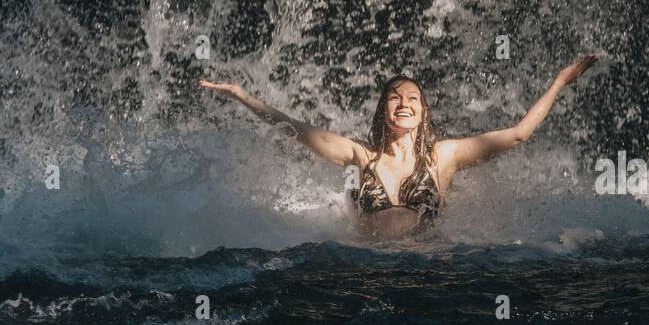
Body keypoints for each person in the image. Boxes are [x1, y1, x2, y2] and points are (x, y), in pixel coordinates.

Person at [200, 56, 598, 239]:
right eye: (394, 97)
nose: (404, 102)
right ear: (383, 110)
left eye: (412, 98)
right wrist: (242, 96)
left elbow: (517, 134)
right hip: (368, 267)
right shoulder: (359, 157)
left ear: (423, 112)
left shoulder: (443, 157)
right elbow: (293, 128)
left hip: (426, 268)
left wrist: (560, 81)